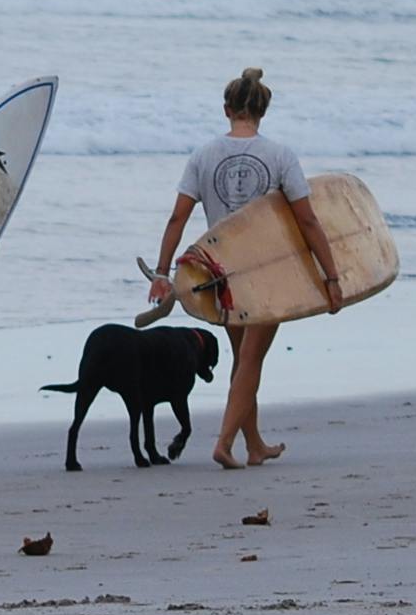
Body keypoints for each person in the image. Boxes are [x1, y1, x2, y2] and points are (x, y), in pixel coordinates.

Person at [145, 66, 342, 469]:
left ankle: (254, 444)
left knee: (243, 361)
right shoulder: (280, 156)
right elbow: (307, 221)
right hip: (268, 274)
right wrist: (333, 276)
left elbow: (176, 219)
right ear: (262, 111)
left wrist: (164, 273)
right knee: (251, 361)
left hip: (222, 275)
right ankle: (225, 442)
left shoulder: (203, 156)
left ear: (226, 109)